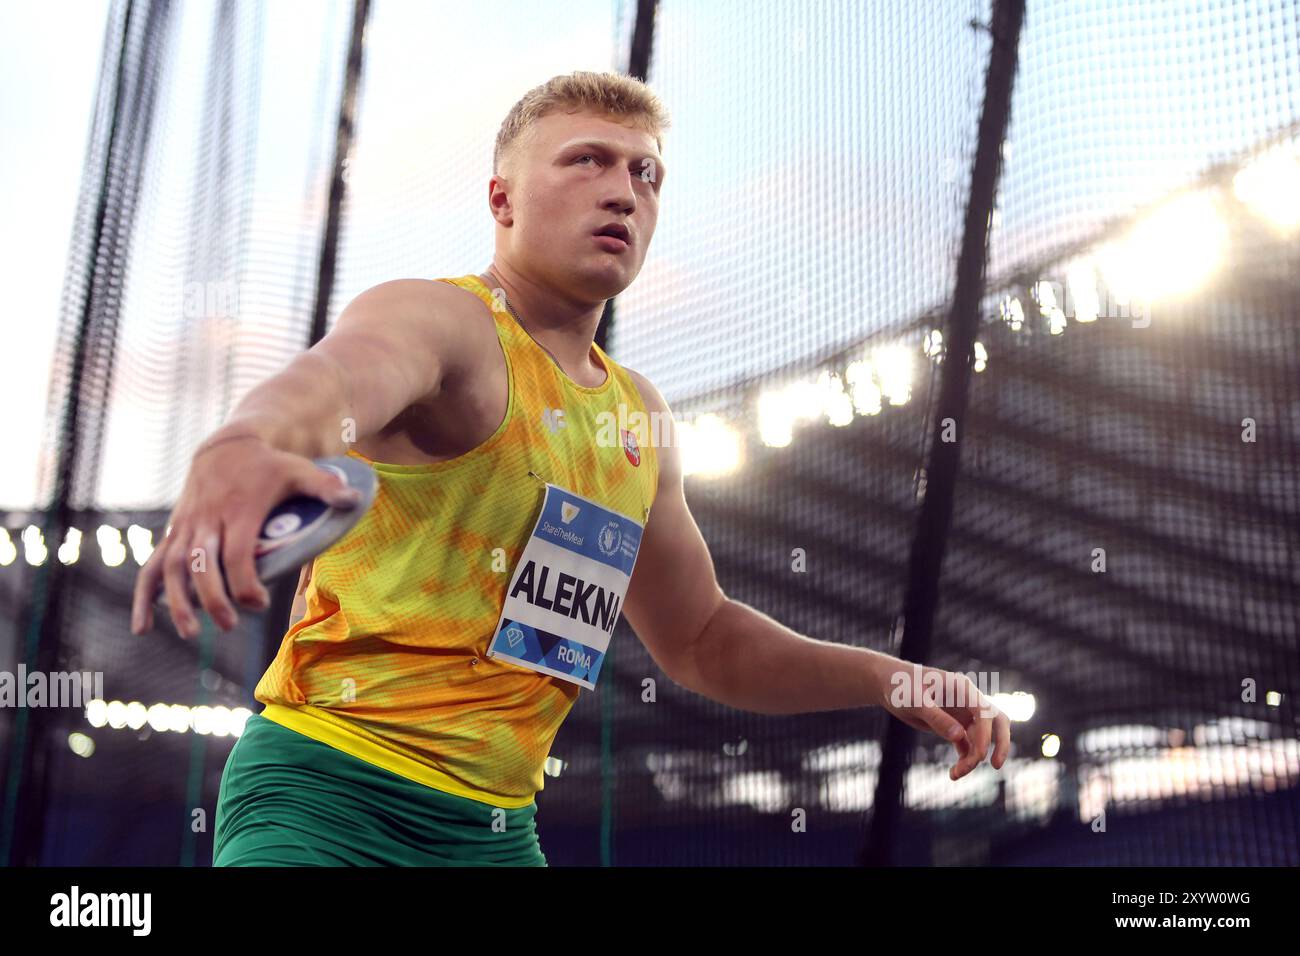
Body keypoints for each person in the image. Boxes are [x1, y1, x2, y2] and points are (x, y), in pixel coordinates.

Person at [131, 70, 1010, 867]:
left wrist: (885, 676)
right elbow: (337, 379)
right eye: (587, 161)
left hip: (497, 833)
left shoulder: (637, 417)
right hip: (326, 802)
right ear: (501, 199)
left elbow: (701, 638)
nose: (622, 191)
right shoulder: (450, 326)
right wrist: (244, 445)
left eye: (645, 173)